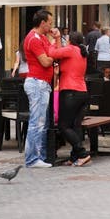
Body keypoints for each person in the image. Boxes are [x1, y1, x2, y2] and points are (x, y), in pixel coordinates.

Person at [23, 9, 62, 168]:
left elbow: (56, 53)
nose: (51, 26)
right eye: (50, 23)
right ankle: (32, 159)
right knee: (36, 122)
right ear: (43, 23)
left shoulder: (44, 38)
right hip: (37, 83)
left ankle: (41, 156)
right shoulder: (34, 39)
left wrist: (57, 39)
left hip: (43, 83)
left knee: (42, 122)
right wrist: (52, 56)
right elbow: (46, 62)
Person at [54, 31, 91, 167]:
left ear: (70, 41)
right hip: (82, 91)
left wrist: (56, 39)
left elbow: (54, 54)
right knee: (76, 126)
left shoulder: (70, 50)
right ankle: (74, 157)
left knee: (63, 126)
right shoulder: (81, 53)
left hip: (70, 92)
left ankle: (82, 153)